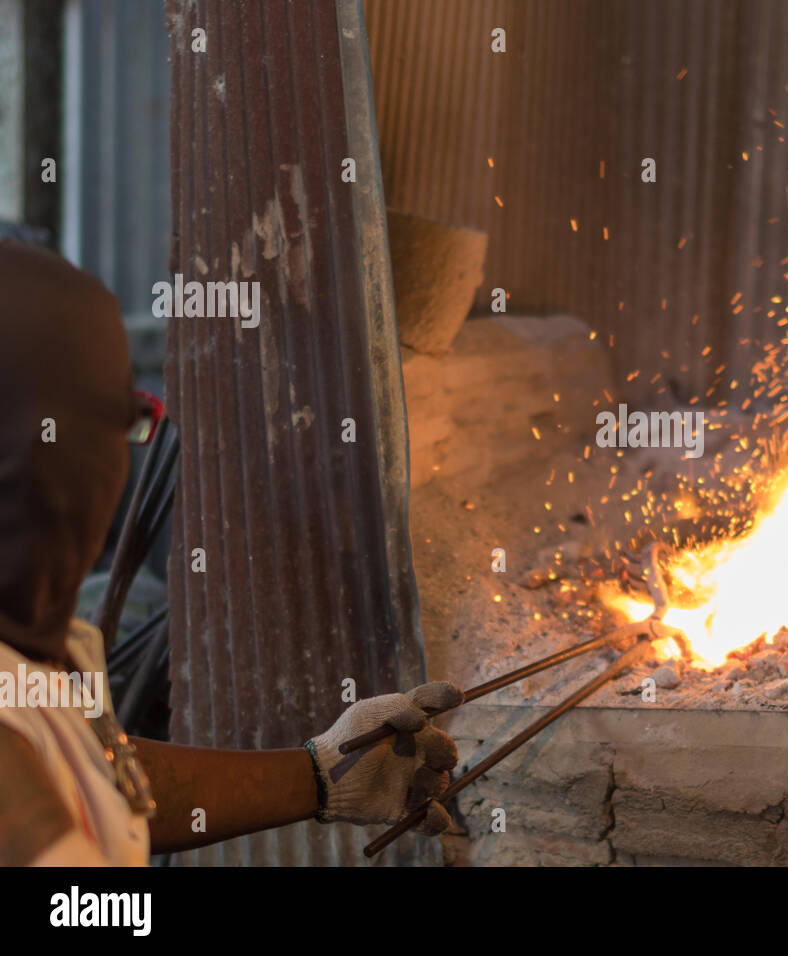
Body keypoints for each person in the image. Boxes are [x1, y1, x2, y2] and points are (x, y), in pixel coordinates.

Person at [0, 240, 458, 865]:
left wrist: (319, 773)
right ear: (41, 454)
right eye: (126, 424)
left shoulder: (30, 669)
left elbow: (94, 773)